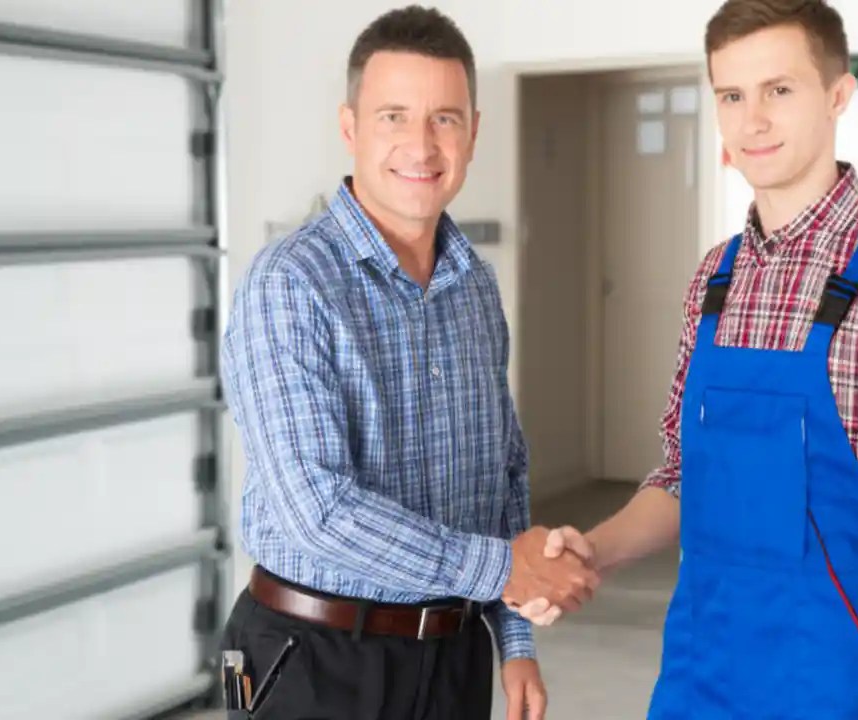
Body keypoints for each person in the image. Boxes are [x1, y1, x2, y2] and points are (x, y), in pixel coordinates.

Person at [514, 1, 858, 718]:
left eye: (780, 90)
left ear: (838, 94)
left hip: (844, 688)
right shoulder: (716, 278)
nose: (753, 121)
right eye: (732, 95)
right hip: (697, 679)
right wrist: (590, 551)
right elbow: (684, 479)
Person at [217, 6, 598, 719]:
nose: (421, 145)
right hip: (316, 662)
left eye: (445, 118)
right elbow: (317, 511)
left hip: (453, 659)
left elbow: (502, 478)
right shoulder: (289, 284)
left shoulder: (475, 287)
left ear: (474, 133)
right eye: (394, 115)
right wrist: (504, 570)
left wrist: (514, 641)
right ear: (351, 127)